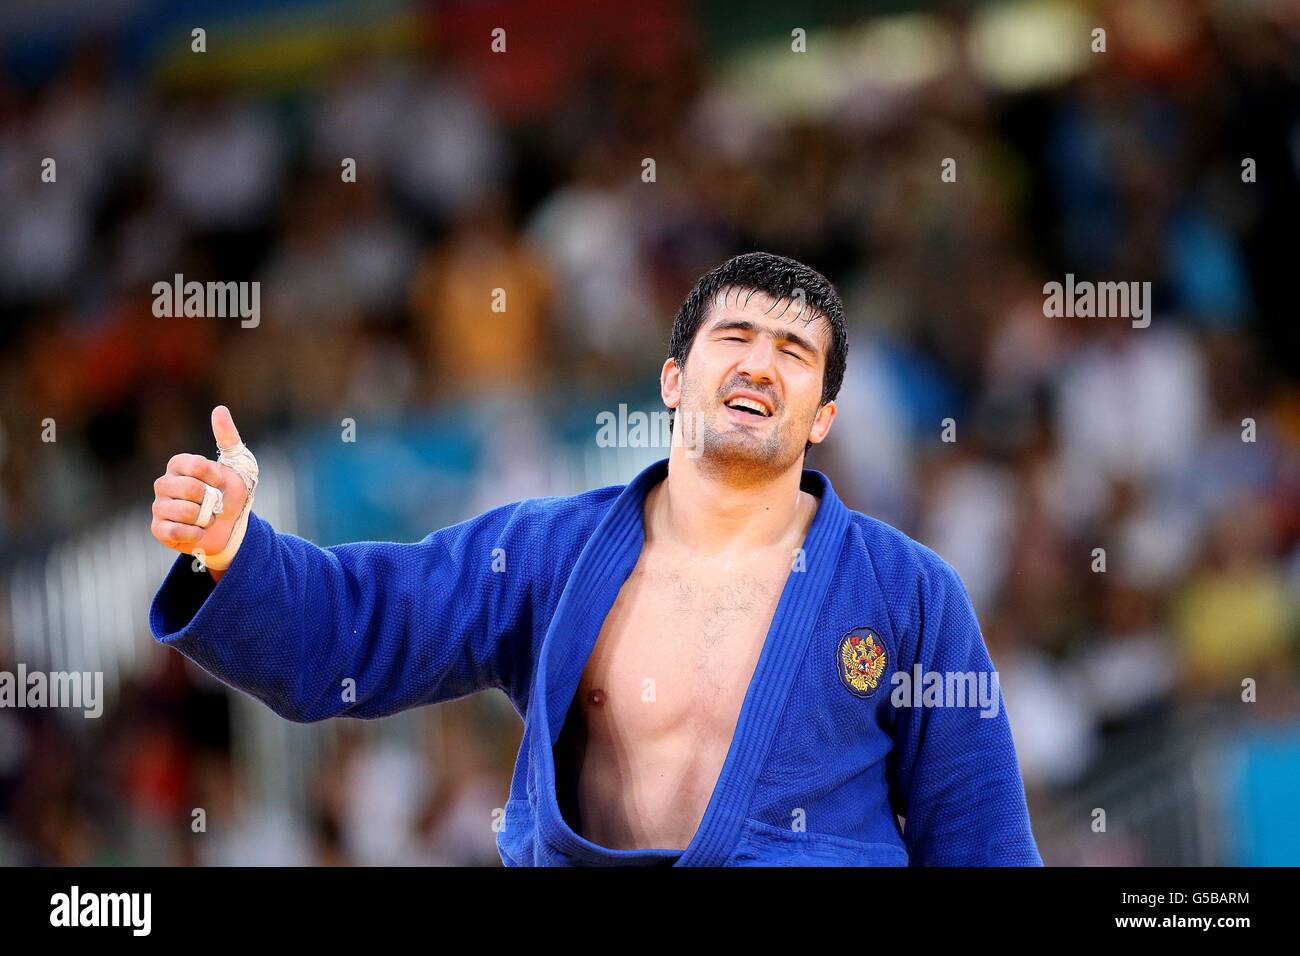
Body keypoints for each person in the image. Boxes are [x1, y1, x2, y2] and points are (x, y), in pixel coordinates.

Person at [149, 251, 1042, 866]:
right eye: (733, 339)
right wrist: (234, 549)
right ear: (671, 380)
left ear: (824, 419)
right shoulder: (547, 555)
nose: (759, 367)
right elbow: (355, 629)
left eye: (795, 354)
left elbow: (982, 842)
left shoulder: (912, 595)